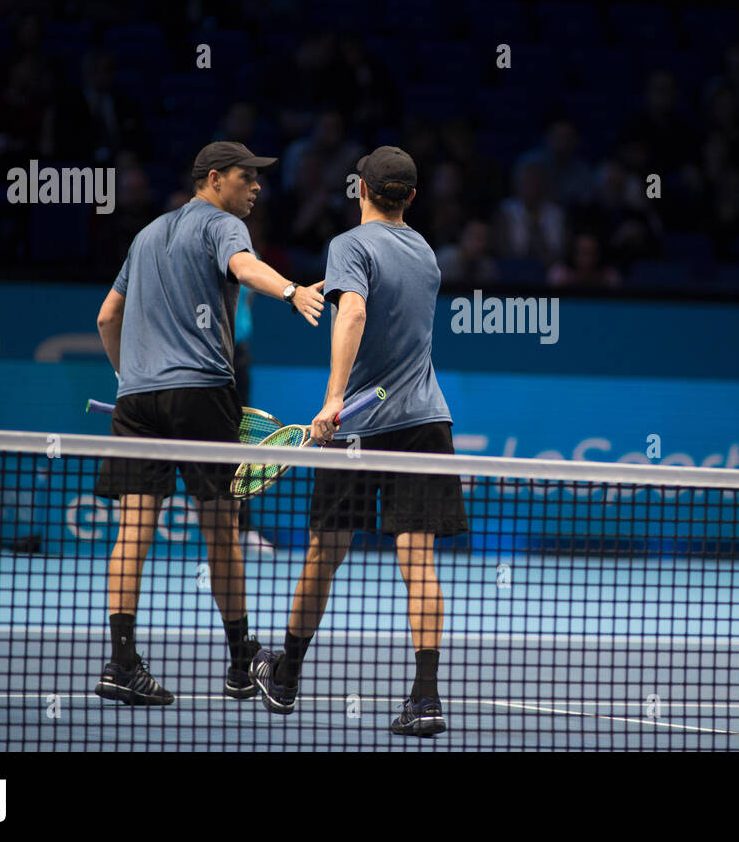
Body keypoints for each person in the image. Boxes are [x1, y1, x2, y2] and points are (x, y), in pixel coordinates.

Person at [92, 141, 325, 705]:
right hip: (200, 395)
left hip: (137, 401)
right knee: (221, 528)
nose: (257, 187)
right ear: (215, 179)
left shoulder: (146, 235)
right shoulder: (223, 227)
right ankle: (243, 665)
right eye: (248, 177)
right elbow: (245, 269)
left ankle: (122, 663)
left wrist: (131, 378)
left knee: (133, 531)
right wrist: (292, 291)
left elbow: (107, 316)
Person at [251, 145, 469, 737]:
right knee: (417, 561)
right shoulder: (426, 252)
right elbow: (381, 291)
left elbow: (354, 315)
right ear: (413, 198)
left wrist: (332, 400)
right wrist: (332, 285)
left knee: (326, 550)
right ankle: (425, 700)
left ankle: (288, 675)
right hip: (424, 423)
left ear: (360, 190)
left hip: (357, 429)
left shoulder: (350, 245)